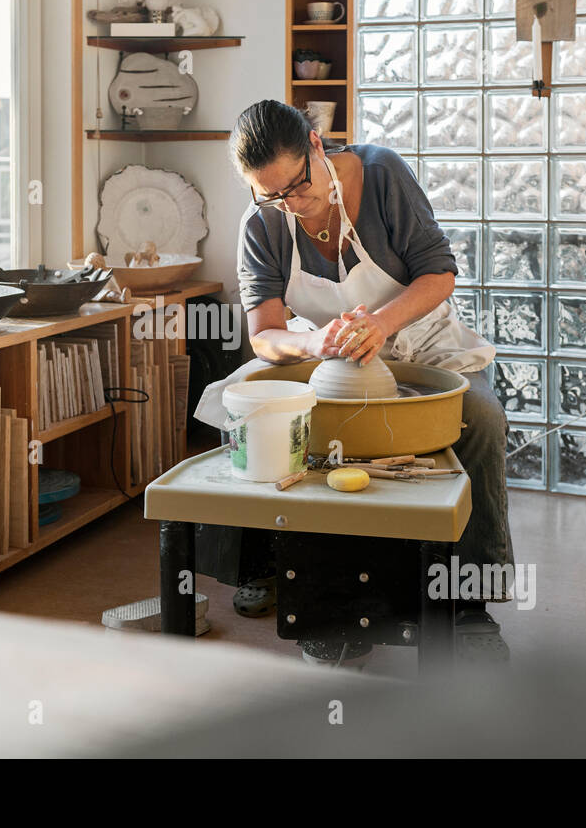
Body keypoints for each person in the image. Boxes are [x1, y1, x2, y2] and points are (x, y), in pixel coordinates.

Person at [193, 100, 513, 665]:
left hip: (415, 337)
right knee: (239, 406)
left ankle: (470, 603)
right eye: (271, 195)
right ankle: (268, 570)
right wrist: (314, 345)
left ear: (317, 147)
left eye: (296, 186)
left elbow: (438, 275)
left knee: (482, 418)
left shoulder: (383, 175)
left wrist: (382, 323)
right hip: (327, 351)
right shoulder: (262, 221)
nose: (290, 204)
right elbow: (265, 333)